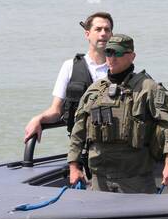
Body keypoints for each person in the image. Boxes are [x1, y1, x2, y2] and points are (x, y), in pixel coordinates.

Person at [67, 35, 168, 194]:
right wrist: (74, 167)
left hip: (136, 179)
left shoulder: (147, 88)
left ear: (132, 56)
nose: (112, 58)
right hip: (99, 179)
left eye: (118, 53)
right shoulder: (95, 90)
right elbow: (78, 130)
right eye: (108, 52)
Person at [24, 12, 113, 143]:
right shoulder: (69, 66)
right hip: (81, 145)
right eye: (98, 29)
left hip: (114, 145)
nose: (103, 33)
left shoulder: (119, 67)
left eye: (107, 29)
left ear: (112, 35)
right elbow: (56, 111)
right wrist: (38, 119)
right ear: (87, 34)